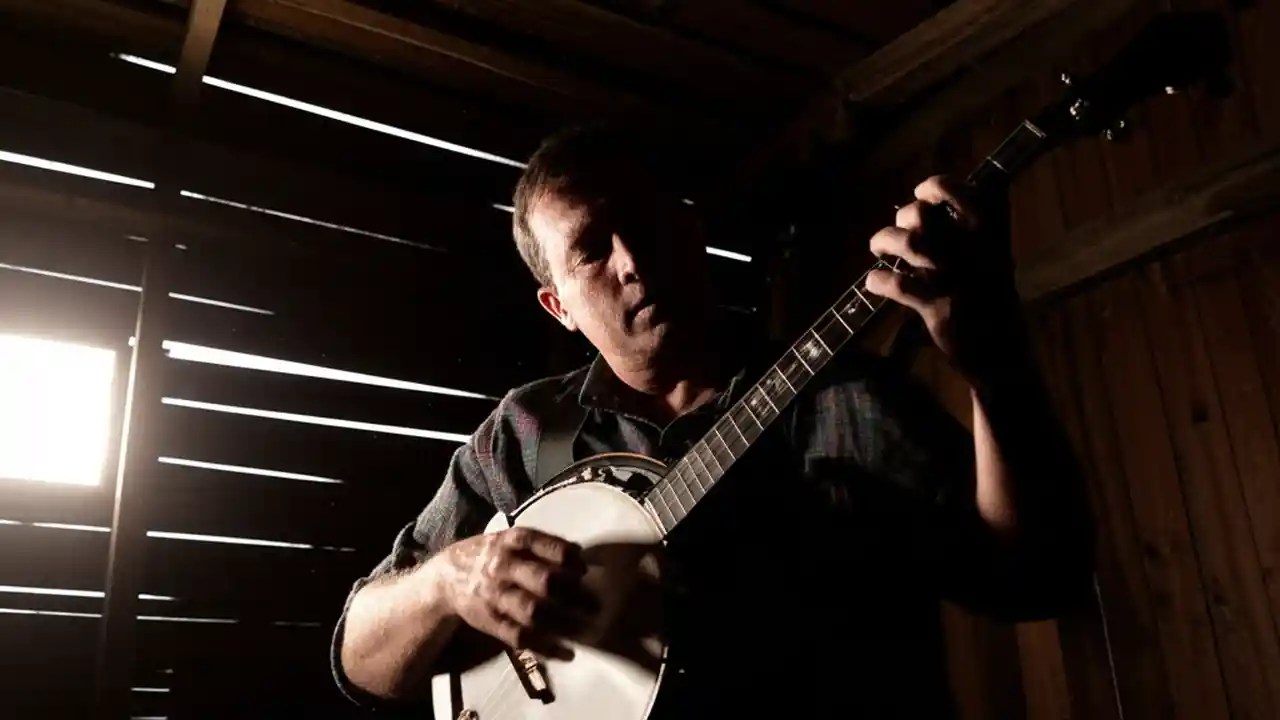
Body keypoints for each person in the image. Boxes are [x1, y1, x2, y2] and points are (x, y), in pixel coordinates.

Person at [329, 125, 1095, 718]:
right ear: (557, 305)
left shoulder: (847, 401)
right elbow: (361, 660)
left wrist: (994, 363)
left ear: (689, 230)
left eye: (644, 225)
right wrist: (451, 581)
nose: (631, 261)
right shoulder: (525, 431)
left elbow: (1039, 576)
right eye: (592, 251)